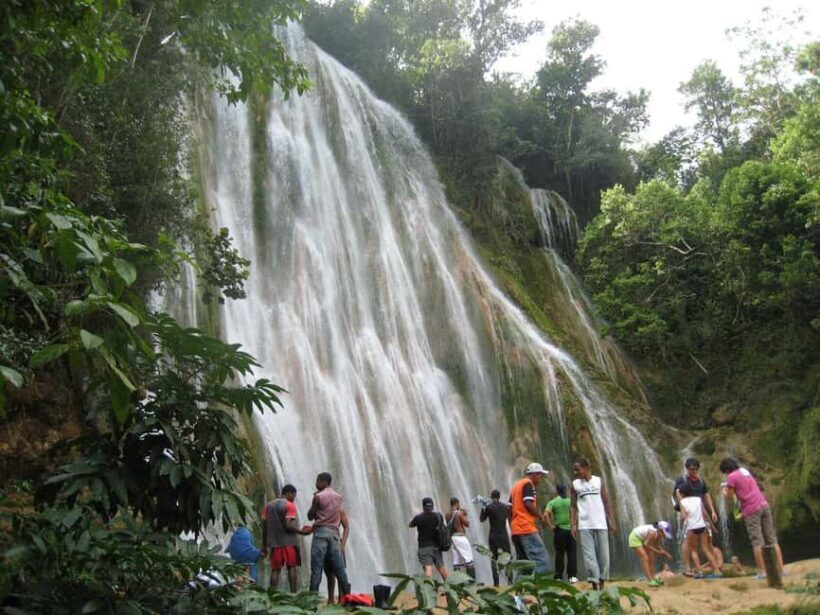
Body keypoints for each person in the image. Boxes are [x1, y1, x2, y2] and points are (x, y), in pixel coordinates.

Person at [719, 458, 784, 579]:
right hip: (763, 505)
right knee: (771, 539)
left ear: (726, 470)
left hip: (751, 509)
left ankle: (762, 571)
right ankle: (781, 570)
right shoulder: (744, 471)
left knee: (757, 541)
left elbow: (729, 496)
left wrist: (724, 491)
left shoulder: (731, 477)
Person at [570, 457, 617, 591]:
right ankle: (595, 585)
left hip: (601, 523)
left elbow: (606, 502)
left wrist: (612, 522)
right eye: (574, 470)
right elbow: (573, 506)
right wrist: (573, 525)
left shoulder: (598, 481)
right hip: (584, 525)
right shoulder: (575, 485)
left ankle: (602, 581)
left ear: (586, 468)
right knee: (589, 557)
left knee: (604, 556)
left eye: (577, 469)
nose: (575, 472)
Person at [307, 472, 351, 596]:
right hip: (335, 534)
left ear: (323, 481)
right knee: (340, 569)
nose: (316, 484)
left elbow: (310, 516)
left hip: (321, 533)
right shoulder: (339, 497)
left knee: (316, 569)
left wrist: (314, 503)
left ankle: (312, 602)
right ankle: (348, 598)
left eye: (317, 481)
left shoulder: (318, 497)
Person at [262, 484, 312, 591]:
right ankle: (293, 594)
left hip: (275, 543)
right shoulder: (289, 505)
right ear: (289, 493)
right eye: (294, 495)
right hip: (289, 543)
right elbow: (288, 525)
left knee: (275, 570)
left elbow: (265, 527)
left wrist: (264, 545)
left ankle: (272, 594)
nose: (294, 499)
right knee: (291, 568)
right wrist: (301, 532)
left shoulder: (269, 505)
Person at [673, 458, 718, 575]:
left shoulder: (701, 481)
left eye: (696, 469)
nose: (694, 472)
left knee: (706, 543)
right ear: (687, 469)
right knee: (688, 542)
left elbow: (706, 496)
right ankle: (688, 568)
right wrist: (684, 512)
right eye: (692, 469)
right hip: (689, 513)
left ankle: (714, 567)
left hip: (700, 512)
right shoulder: (681, 481)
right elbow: (678, 495)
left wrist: (712, 511)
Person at [509, 462, 553, 575]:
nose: (541, 478)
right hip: (526, 528)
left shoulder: (516, 486)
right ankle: (540, 588)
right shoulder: (528, 484)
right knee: (541, 560)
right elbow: (528, 503)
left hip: (516, 529)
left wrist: (512, 526)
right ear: (534, 475)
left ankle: (519, 592)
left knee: (524, 565)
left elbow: (509, 508)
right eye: (540, 475)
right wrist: (540, 516)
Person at [679, 484, 721, 578]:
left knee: (693, 550)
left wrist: (681, 525)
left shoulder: (682, 502)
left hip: (691, 527)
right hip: (702, 526)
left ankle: (700, 572)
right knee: (706, 549)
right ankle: (717, 570)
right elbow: (704, 513)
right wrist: (711, 525)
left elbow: (683, 516)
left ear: (683, 493)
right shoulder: (698, 499)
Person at [409, 497, 449, 580]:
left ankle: (430, 590)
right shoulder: (438, 516)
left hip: (424, 547)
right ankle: (452, 588)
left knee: (428, 569)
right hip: (437, 547)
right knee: (441, 568)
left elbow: (411, 525)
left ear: (423, 506)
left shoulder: (419, 518)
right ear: (432, 506)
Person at [545, 483, 577, 583]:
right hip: (571, 530)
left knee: (559, 554)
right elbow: (576, 513)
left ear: (557, 491)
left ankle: (559, 576)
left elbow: (546, 515)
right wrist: (575, 526)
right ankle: (572, 576)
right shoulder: (570, 502)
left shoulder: (553, 502)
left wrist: (551, 526)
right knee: (572, 553)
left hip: (559, 530)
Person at [480, 489, 512, 586]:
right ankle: (510, 582)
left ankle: (496, 583)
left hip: (493, 536)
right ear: (499, 496)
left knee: (494, 559)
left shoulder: (489, 507)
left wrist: (483, 508)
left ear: (491, 497)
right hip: (504, 535)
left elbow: (482, 519)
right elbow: (510, 520)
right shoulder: (505, 507)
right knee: (508, 558)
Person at [627, 521, 673, 587]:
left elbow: (658, 546)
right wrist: (658, 552)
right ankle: (650, 580)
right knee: (645, 558)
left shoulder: (658, 534)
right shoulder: (652, 532)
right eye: (664, 534)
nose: (664, 536)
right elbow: (646, 545)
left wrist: (666, 554)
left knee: (652, 559)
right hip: (635, 538)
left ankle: (653, 578)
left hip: (644, 539)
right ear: (660, 530)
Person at [446, 497, 476, 579]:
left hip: (453, 539)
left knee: (456, 561)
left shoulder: (447, 514)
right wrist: (465, 514)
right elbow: (467, 524)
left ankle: (457, 584)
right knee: (469, 559)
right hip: (461, 538)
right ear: (457, 503)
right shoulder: (459, 513)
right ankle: (472, 582)